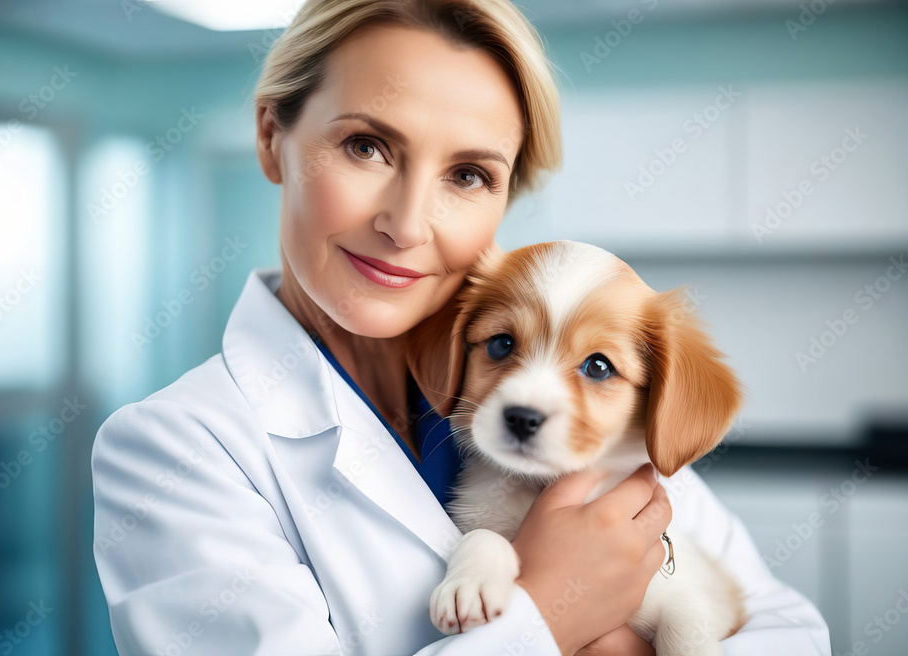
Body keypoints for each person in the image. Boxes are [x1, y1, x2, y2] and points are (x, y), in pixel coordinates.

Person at [90, 1, 831, 654]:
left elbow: (790, 628)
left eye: (468, 174)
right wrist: (547, 613)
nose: (407, 223)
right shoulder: (172, 450)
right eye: (366, 146)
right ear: (269, 135)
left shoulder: (606, 423)